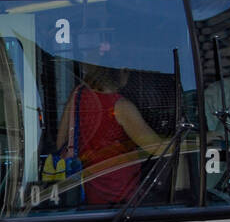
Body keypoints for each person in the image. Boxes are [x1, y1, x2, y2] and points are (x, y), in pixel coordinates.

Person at [55, 60, 164, 205]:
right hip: (119, 193)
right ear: (119, 72)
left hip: (87, 189)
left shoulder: (77, 95)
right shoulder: (121, 107)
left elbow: (61, 142)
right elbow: (156, 148)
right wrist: (186, 141)